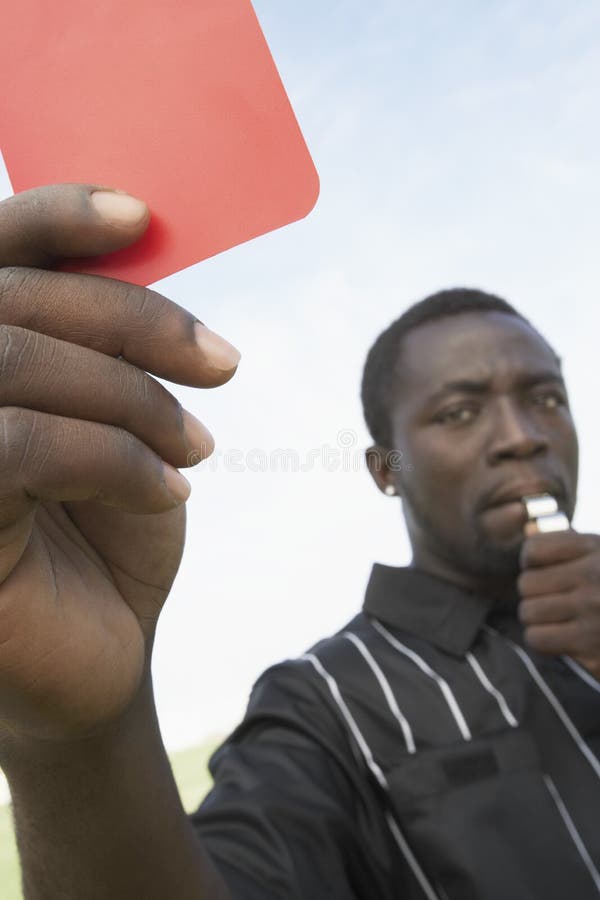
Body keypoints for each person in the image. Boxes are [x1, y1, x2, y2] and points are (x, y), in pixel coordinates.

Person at [1, 184, 600, 900]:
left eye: (547, 399)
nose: (523, 437)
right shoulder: (325, 704)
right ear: (386, 470)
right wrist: (74, 745)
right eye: (461, 411)